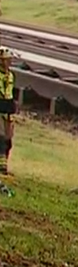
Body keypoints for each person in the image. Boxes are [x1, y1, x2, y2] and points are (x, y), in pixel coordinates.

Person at [0, 46, 16, 176]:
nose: (9, 62)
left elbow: (10, 93)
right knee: (0, 137)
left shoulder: (10, 76)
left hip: (7, 109)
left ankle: (5, 162)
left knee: (8, 139)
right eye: (7, 60)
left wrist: (11, 110)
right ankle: (2, 166)